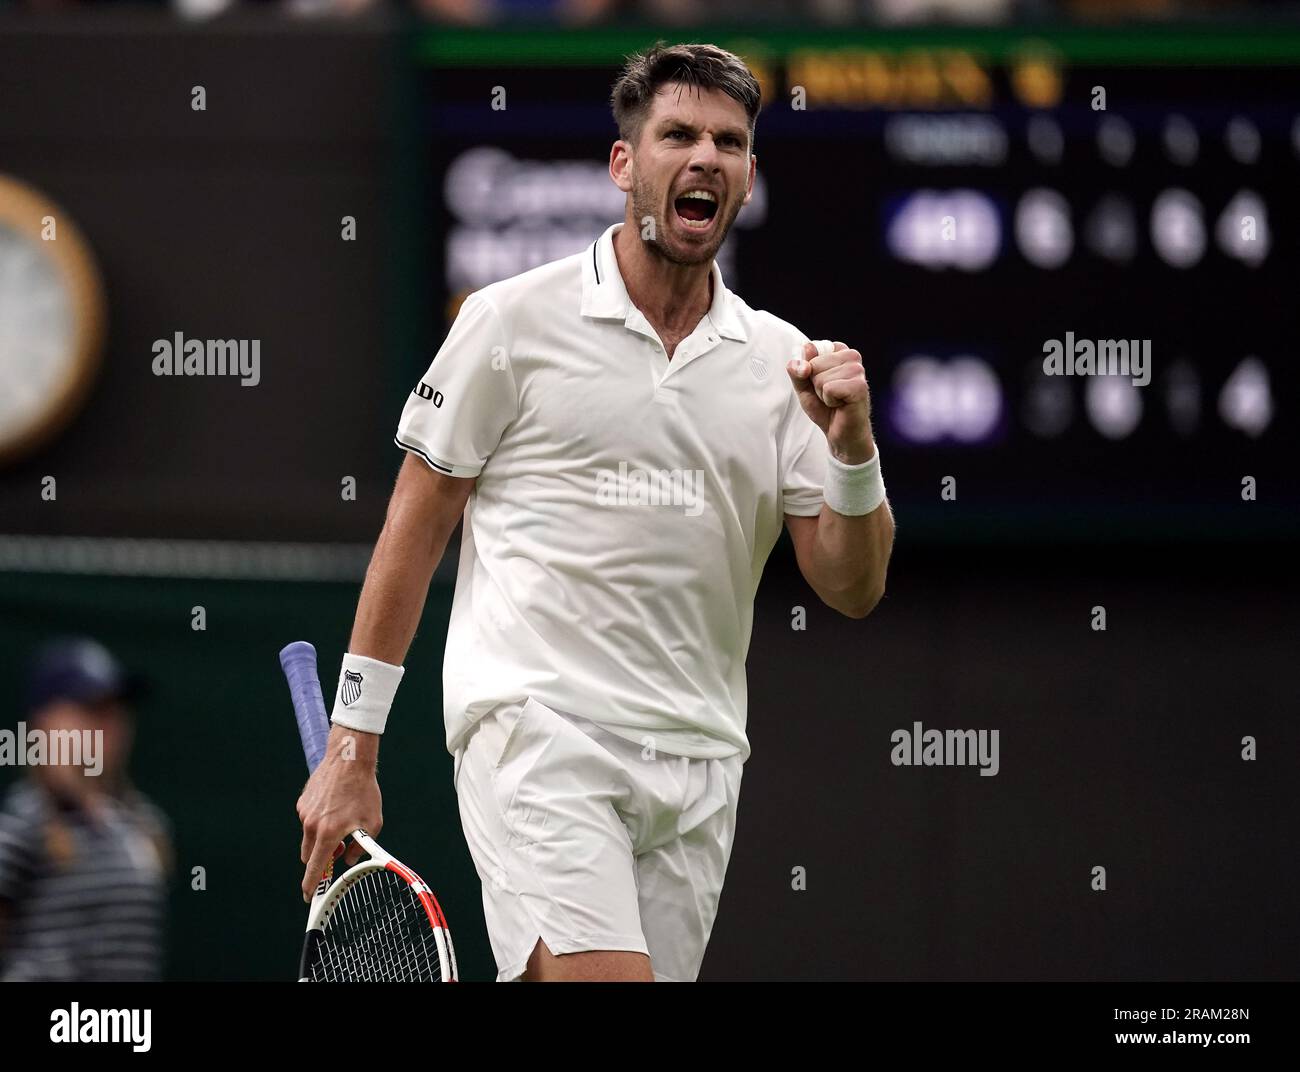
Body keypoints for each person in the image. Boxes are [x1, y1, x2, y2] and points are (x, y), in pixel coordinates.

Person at [296, 41, 894, 982]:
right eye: (678, 136)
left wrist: (854, 449)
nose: (705, 158)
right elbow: (412, 536)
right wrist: (350, 748)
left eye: (729, 143)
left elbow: (852, 586)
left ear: (747, 178)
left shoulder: (786, 364)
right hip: (539, 729)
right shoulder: (507, 322)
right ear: (626, 164)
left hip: (700, 764)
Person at [0, 638, 171, 981]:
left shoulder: (145, 823)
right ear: (46, 721)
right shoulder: (23, 820)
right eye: (92, 709)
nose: (111, 724)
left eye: (116, 709)